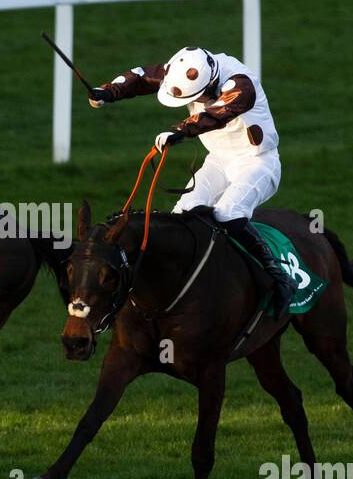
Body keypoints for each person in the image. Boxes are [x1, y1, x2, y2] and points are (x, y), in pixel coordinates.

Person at [89, 46, 296, 319]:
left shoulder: (241, 84)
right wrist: (108, 91)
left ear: (210, 84)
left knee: (227, 214)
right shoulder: (185, 68)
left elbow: (217, 113)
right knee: (180, 218)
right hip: (219, 161)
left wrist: (179, 130)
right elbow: (142, 76)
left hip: (258, 163)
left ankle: (278, 278)